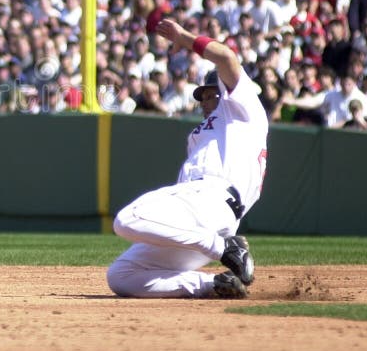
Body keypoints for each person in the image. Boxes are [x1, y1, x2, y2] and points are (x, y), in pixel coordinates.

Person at [106, 18, 269, 299]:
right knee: (121, 275)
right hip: (203, 209)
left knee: (127, 219)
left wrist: (184, 38)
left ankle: (225, 249)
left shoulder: (243, 109)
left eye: (211, 95)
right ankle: (214, 285)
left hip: (214, 197)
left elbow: (227, 57)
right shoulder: (202, 133)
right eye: (202, 97)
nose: (205, 102)